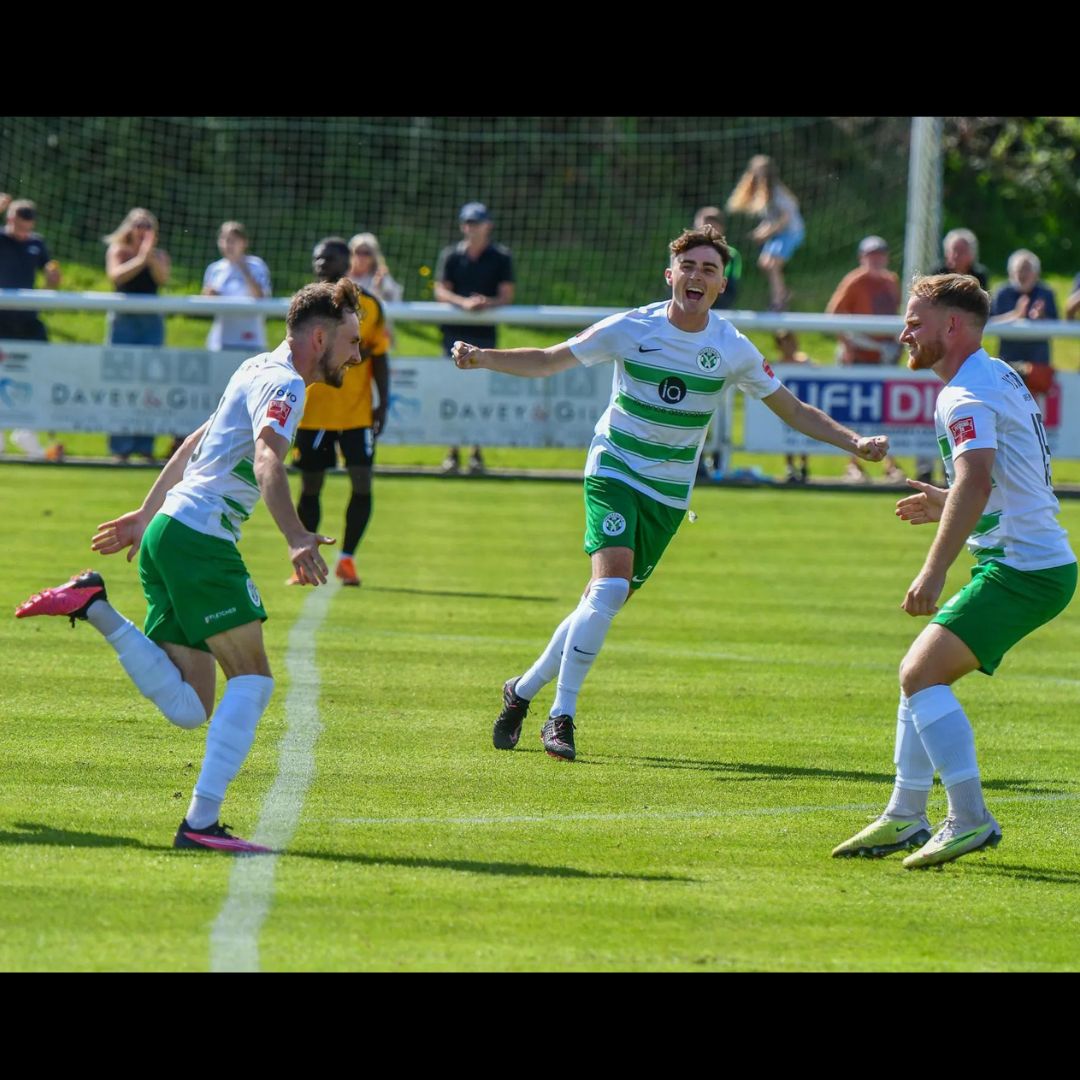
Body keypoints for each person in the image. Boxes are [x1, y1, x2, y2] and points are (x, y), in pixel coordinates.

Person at [452, 226, 889, 762]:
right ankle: (560, 716)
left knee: (599, 604)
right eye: (689, 267)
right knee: (607, 592)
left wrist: (854, 442)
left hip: (669, 493)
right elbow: (547, 359)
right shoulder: (631, 328)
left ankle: (519, 690)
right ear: (670, 276)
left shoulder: (731, 347)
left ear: (722, 284)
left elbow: (793, 410)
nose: (697, 276)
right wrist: (483, 356)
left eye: (709, 269)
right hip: (614, 465)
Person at [15, 279, 361, 853]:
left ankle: (94, 604)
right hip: (198, 540)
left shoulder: (255, 367)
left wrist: (145, 515)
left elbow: (196, 441)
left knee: (190, 707)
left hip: (170, 532)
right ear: (319, 336)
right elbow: (267, 458)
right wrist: (296, 536)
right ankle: (200, 824)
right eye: (351, 340)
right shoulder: (286, 384)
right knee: (252, 681)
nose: (356, 353)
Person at [832, 273, 1075, 868]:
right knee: (919, 674)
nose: (903, 332)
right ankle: (904, 814)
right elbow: (1002, 483)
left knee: (919, 674)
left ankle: (969, 817)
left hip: (1025, 569)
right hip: (1031, 560)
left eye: (915, 322)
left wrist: (934, 568)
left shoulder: (962, 393)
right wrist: (946, 504)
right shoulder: (995, 374)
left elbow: (976, 479)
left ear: (952, 326)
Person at [288, 237, 390, 587]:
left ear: (346, 261)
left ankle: (347, 559)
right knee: (310, 486)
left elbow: (379, 355)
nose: (320, 263)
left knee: (362, 482)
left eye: (328, 258)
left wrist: (383, 401)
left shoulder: (368, 305)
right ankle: (305, 562)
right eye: (316, 258)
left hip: (356, 412)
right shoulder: (305, 305)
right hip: (313, 412)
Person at [435, 202, 515, 474]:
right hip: (453, 335)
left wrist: (485, 303)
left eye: (477, 223)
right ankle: (452, 452)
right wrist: (464, 304)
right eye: (468, 223)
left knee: (480, 396)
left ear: (488, 225)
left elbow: (506, 295)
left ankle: (476, 453)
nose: (472, 228)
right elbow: (442, 291)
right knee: (452, 392)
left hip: (484, 336)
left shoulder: (501, 257)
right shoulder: (452, 256)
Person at [825, 235, 905, 484]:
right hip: (859, 357)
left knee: (885, 412)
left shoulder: (891, 281)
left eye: (880, 254)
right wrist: (848, 345)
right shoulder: (854, 281)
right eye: (871, 255)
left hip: (884, 358)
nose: (876, 259)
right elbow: (833, 315)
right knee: (857, 413)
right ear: (862, 258)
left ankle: (890, 464)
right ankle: (853, 464)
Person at [105, 208, 172, 463]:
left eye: (147, 225)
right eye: (138, 225)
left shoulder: (159, 255)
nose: (142, 229)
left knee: (150, 385)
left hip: (151, 322)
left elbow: (162, 278)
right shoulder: (118, 250)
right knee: (121, 383)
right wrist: (141, 257)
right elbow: (117, 276)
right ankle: (120, 447)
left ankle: (145, 445)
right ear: (128, 227)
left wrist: (149, 256)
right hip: (124, 321)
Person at [0, 194, 61, 459]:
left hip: (27, 320)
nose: (25, 235)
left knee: (38, 369)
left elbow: (49, 280)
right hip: (1, 318)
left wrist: (52, 279)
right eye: (20, 229)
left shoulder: (37, 243)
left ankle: (27, 428)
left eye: (29, 229)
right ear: (10, 219)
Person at [989, 249, 1059, 397]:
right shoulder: (1002, 293)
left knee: (1034, 407)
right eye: (1019, 270)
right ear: (1010, 272)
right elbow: (990, 323)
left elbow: (1057, 325)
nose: (1022, 274)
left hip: (1038, 361)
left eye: (1027, 270)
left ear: (1036, 273)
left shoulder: (1046, 293)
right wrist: (1015, 315)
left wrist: (1042, 317)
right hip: (1008, 360)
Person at [202, 221, 272, 352]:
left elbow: (261, 297)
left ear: (244, 242)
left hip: (251, 340)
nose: (227, 244)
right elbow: (206, 304)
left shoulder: (257, 266)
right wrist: (210, 295)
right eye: (224, 240)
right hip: (220, 341)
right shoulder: (215, 269)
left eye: (233, 240)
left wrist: (242, 267)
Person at [348, 232, 403, 347]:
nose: (361, 257)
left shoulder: (380, 275)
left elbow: (395, 297)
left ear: (373, 256)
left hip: (374, 333)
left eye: (366, 253)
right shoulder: (344, 275)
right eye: (358, 251)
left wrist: (380, 284)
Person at [692, 206, 742, 310]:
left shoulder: (732, 255)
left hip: (719, 304)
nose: (708, 230)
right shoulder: (683, 252)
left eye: (713, 226)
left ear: (722, 229)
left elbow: (732, 288)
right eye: (704, 225)